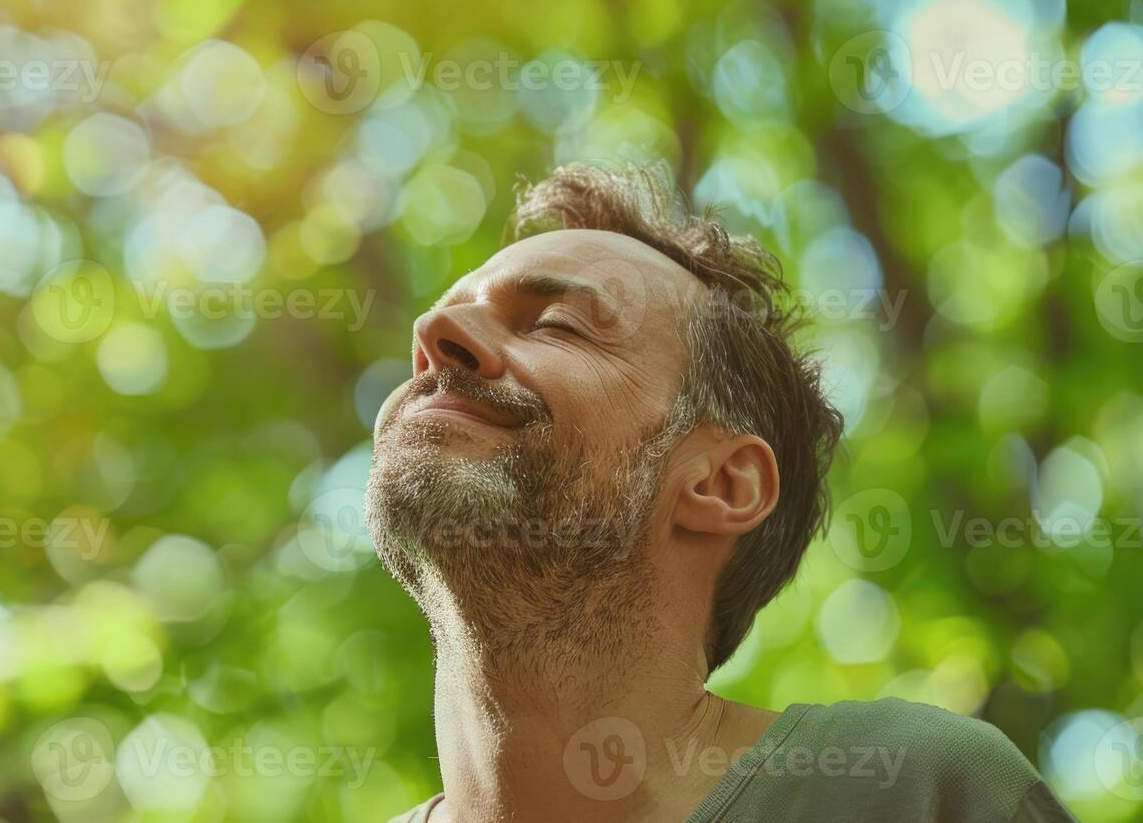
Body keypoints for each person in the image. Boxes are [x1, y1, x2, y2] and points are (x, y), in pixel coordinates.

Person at [367, 162, 1075, 822]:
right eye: (442, 317)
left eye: (557, 324)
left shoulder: (917, 791)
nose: (434, 333)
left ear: (720, 483)